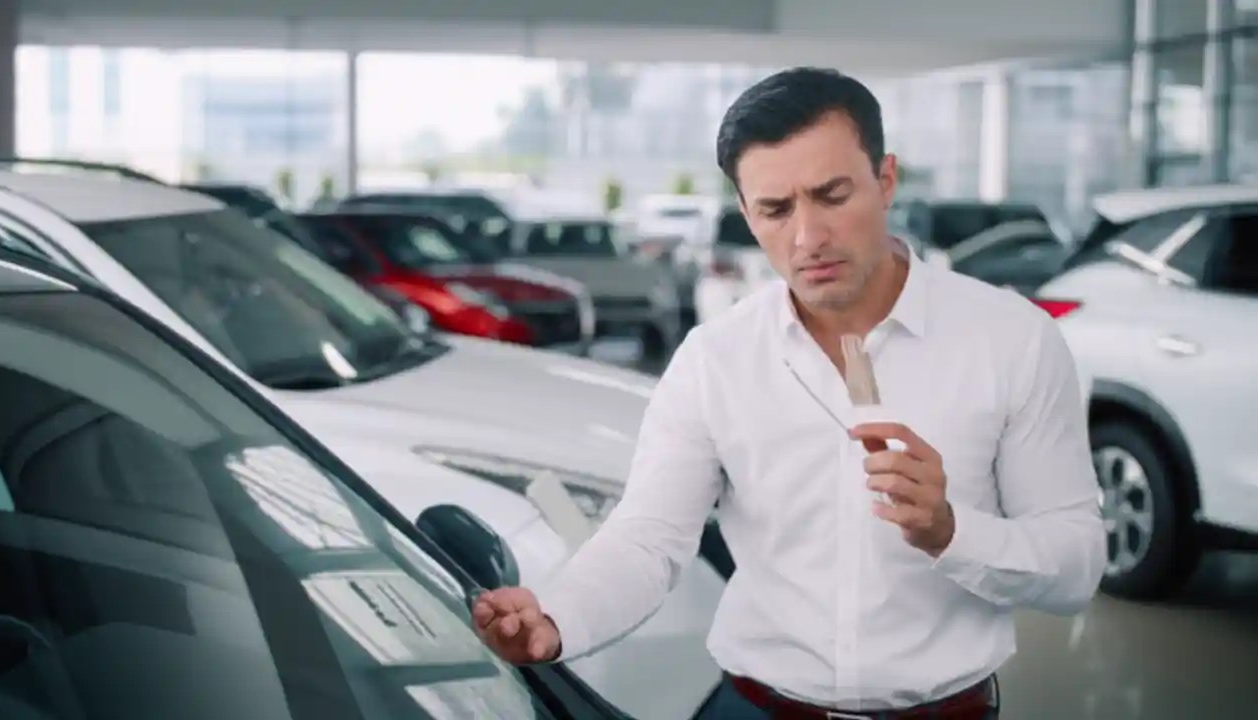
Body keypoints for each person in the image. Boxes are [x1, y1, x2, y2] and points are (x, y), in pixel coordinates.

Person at [471, 66, 1105, 719]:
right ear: (747, 214)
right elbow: (648, 537)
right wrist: (558, 617)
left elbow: (1076, 564)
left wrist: (952, 531)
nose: (808, 238)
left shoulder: (1011, 340)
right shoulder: (715, 359)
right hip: (757, 707)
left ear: (885, 180)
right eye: (775, 209)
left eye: (832, 196)